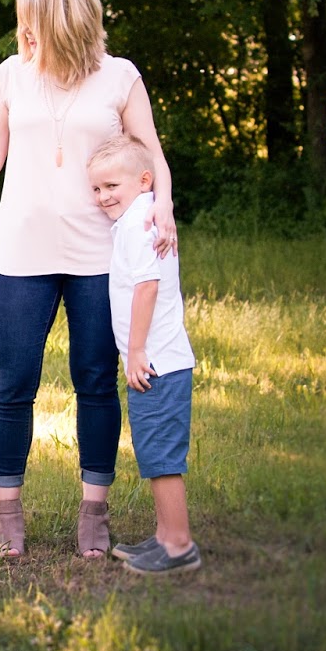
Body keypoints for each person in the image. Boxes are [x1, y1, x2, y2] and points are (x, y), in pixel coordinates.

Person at [0, 0, 177, 559]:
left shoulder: (120, 77)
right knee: (12, 386)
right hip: (22, 254)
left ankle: (94, 512)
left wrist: (162, 204)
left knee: (95, 383)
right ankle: (7, 514)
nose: (23, 32)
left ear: (62, 20)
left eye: (32, 21)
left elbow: (153, 158)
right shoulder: (12, 75)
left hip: (99, 256)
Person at [87, 134, 201, 574]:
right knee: (154, 452)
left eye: (112, 186)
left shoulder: (140, 225)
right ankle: (163, 536)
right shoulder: (138, 220)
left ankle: (178, 545)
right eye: (96, 189)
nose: (102, 197)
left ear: (144, 180)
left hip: (157, 361)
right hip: (157, 360)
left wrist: (135, 351)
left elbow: (147, 287)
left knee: (161, 455)